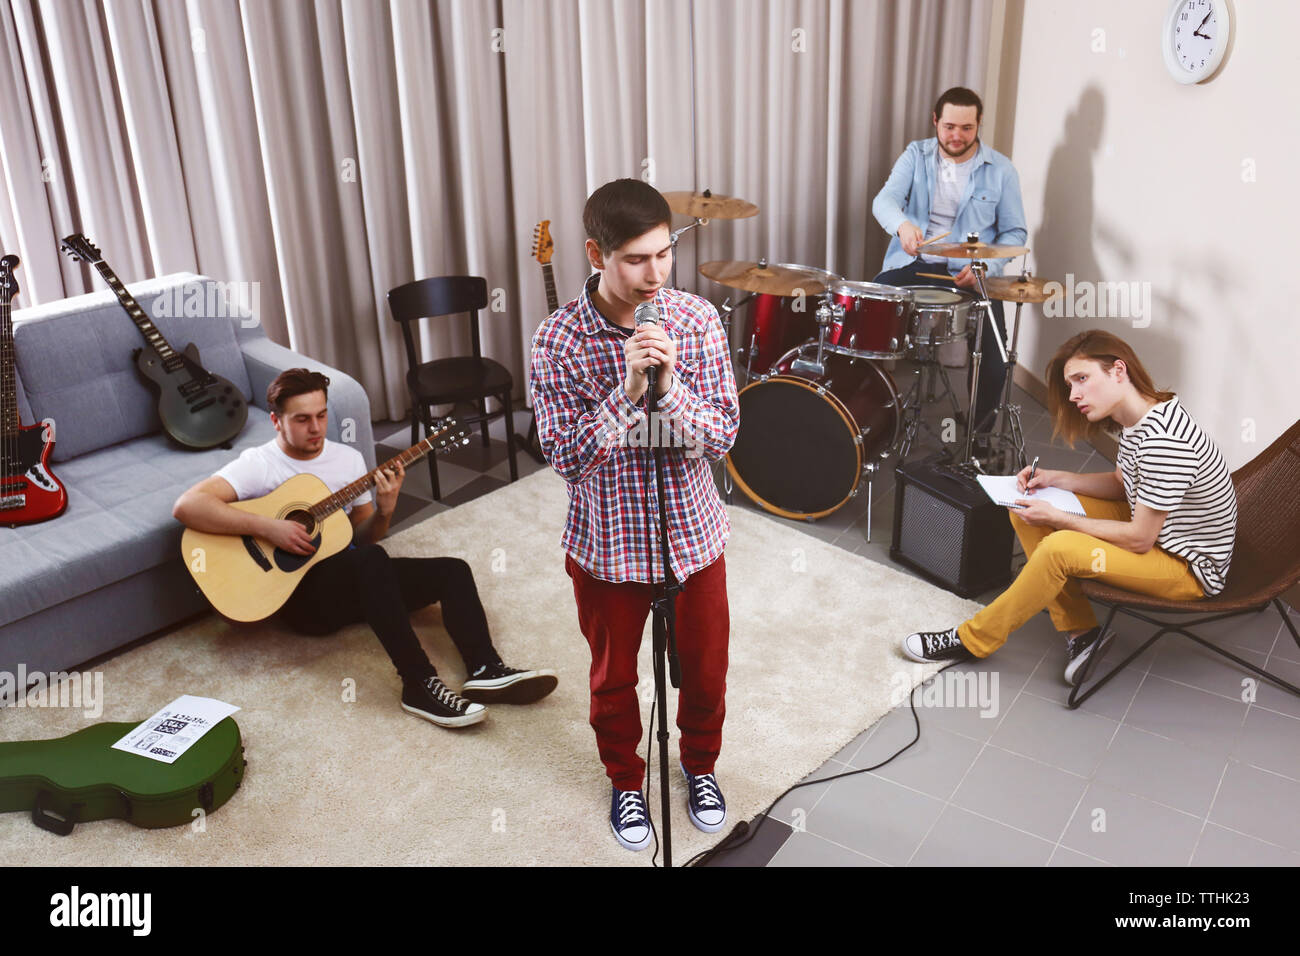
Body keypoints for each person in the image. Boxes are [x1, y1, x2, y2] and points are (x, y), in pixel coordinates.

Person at [529, 179, 740, 851]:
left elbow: (726, 435)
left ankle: (699, 766)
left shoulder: (698, 319)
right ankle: (626, 781)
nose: (655, 275)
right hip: (607, 545)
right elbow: (565, 459)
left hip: (693, 536)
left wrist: (671, 390)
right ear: (596, 253)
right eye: (635, 260)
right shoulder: (558, 340)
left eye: (662, 254)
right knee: (614, 680)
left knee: (706, 670)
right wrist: (624, 394)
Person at [172, 368, 556, 727]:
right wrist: (269, 528)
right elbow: (188, 506)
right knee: (371, 561)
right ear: (276, 421)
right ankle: (419, 684)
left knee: (453, 570)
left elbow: (363, 536)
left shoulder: (348, 459)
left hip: (354, 581)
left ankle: (485, 669)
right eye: (302, 419)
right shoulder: (260, 464)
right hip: (300, 600)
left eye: (321, 415)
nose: (316, 428)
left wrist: (385, 511)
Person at [902, 330, 1238, 684]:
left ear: (1118, 370)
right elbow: (1122, 485)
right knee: (1028, 508)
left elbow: (1140, 539)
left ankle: (972, 640)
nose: (1074, 395)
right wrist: (1055, 479)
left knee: (1058, 548)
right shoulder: (1141, 418)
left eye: (1082, 379)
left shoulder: (1164, 442)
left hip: (1186, 565)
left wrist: (1061, 519)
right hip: (1156, 529)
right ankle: (1082, 634)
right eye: (1071, 384)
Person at [871, 86, 1027, 442]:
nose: (957, 136)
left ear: (979, 124)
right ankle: (872, 421)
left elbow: (1015, 232)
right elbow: (885, 200)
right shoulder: (916, 155)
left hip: (971, 276)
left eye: (967, 128)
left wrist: (987, 269)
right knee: (865, 329)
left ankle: (978, 438)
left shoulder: (1001, 170)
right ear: (935, 121)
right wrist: (903, 226)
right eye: (950, 127)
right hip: (913, 264)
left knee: (993, 361)